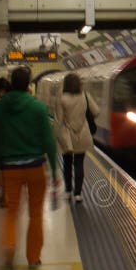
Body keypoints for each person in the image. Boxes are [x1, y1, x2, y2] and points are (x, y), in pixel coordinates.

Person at [0, 66, 58, 270]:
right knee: (36, 214)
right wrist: (54, 169)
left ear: (10, 83)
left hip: (10, 169)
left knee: (11, 211)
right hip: (36, 167)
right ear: (29, 84)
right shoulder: (38, 107)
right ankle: (33, 258)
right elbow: (48, 141)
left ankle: (9, 246)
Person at [54, 73, 99, 203]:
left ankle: (68, 191)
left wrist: (56, 135)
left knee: (67, 164)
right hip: (82, 133)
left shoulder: (61, 97)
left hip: (66, 135)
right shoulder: (84, 95)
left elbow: (58, 120)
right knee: (79, 164)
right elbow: (96, 111)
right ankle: (78, 194)